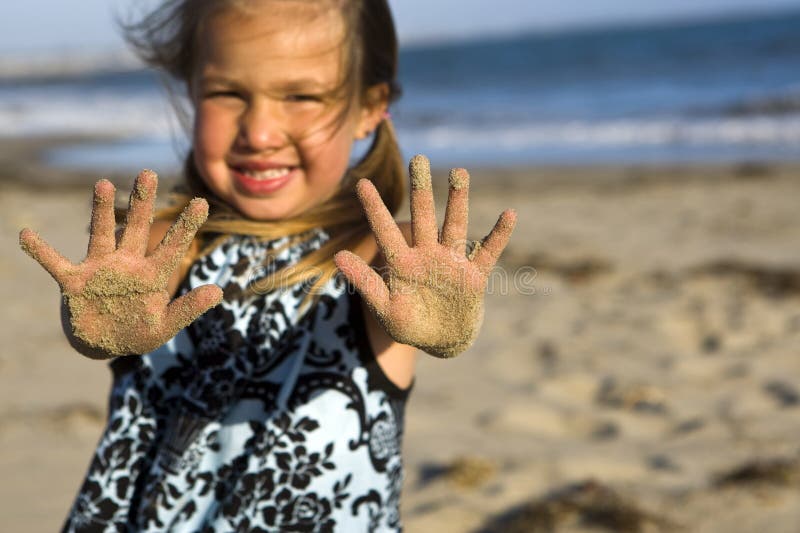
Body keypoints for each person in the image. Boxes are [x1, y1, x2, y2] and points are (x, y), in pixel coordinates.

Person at [19, 0, 516, 530]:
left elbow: (425, 298)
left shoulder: (374, 261)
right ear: (192, 89)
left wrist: (445, 326)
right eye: (227, 92)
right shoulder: (163, 250)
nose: (258, 132)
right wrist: (95, 334)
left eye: (301, 96)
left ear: (370, 107)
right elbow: (104, 329)